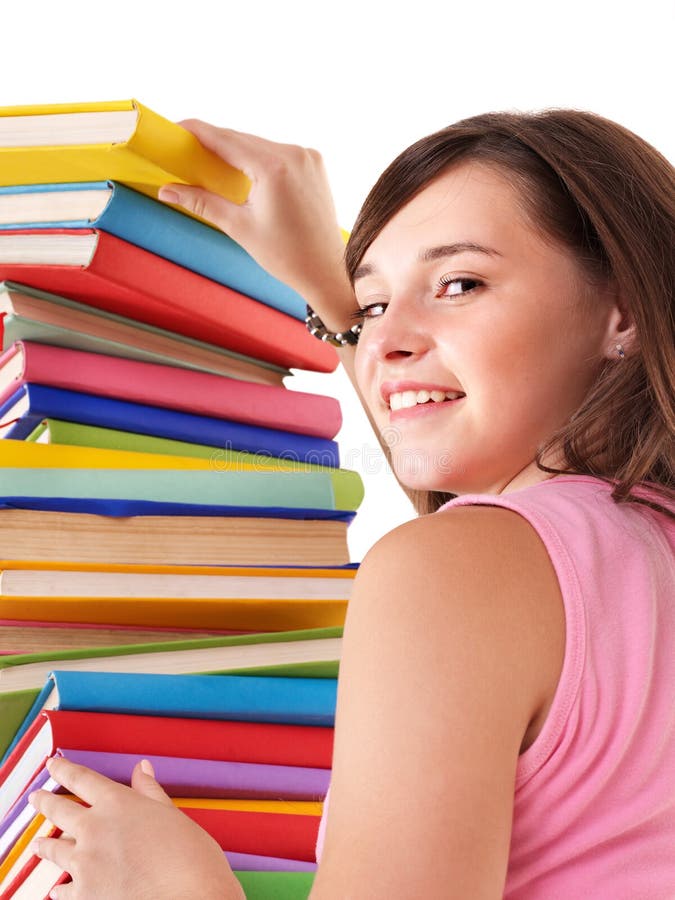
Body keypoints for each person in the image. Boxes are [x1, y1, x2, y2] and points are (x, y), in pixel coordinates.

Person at [29, 110, 674, 899]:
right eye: (374, 309)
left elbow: (473, 551)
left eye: (459, 283)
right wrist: (338, 302)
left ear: (623, 311)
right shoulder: (624, 552)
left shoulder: (458, 572)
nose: (384, 342)